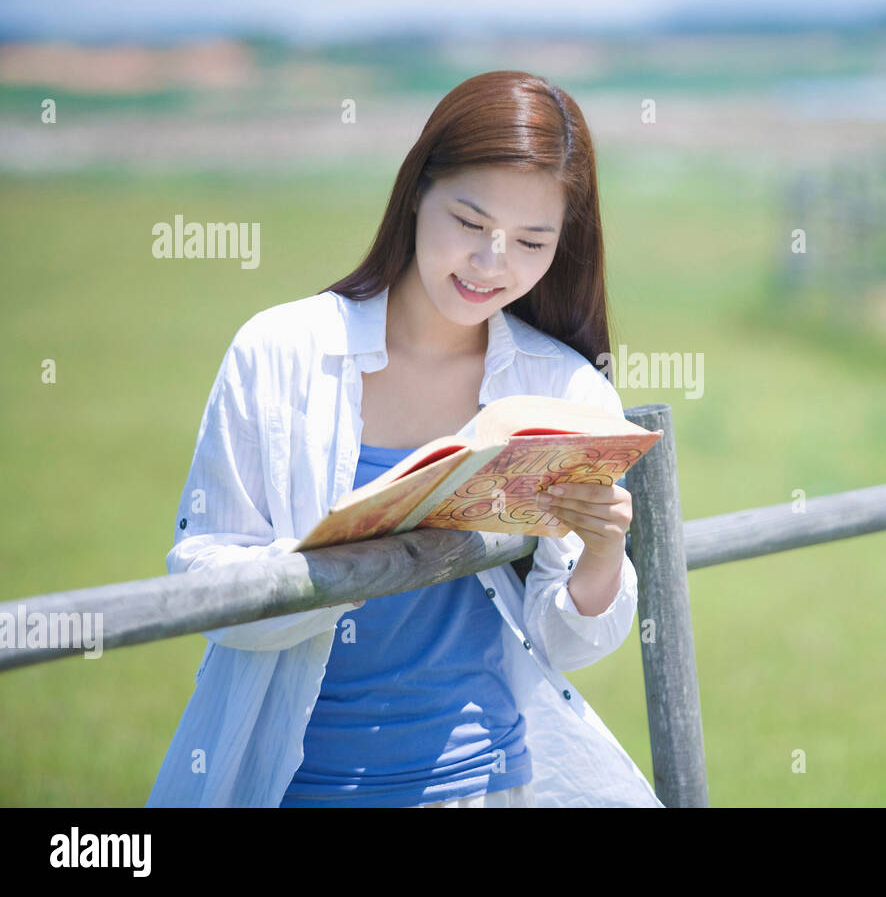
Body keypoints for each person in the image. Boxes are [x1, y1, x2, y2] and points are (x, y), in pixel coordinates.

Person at [145, 71, 663, 808]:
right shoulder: (279, 350)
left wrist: (606, 550)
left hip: (480, 782)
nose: (492, 262)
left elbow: (565, 642)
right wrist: (340, 569)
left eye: (531, 241)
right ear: (416, 189)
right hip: (286, 784)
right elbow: (199, 571)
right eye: (469, 222)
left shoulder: (564, 389)